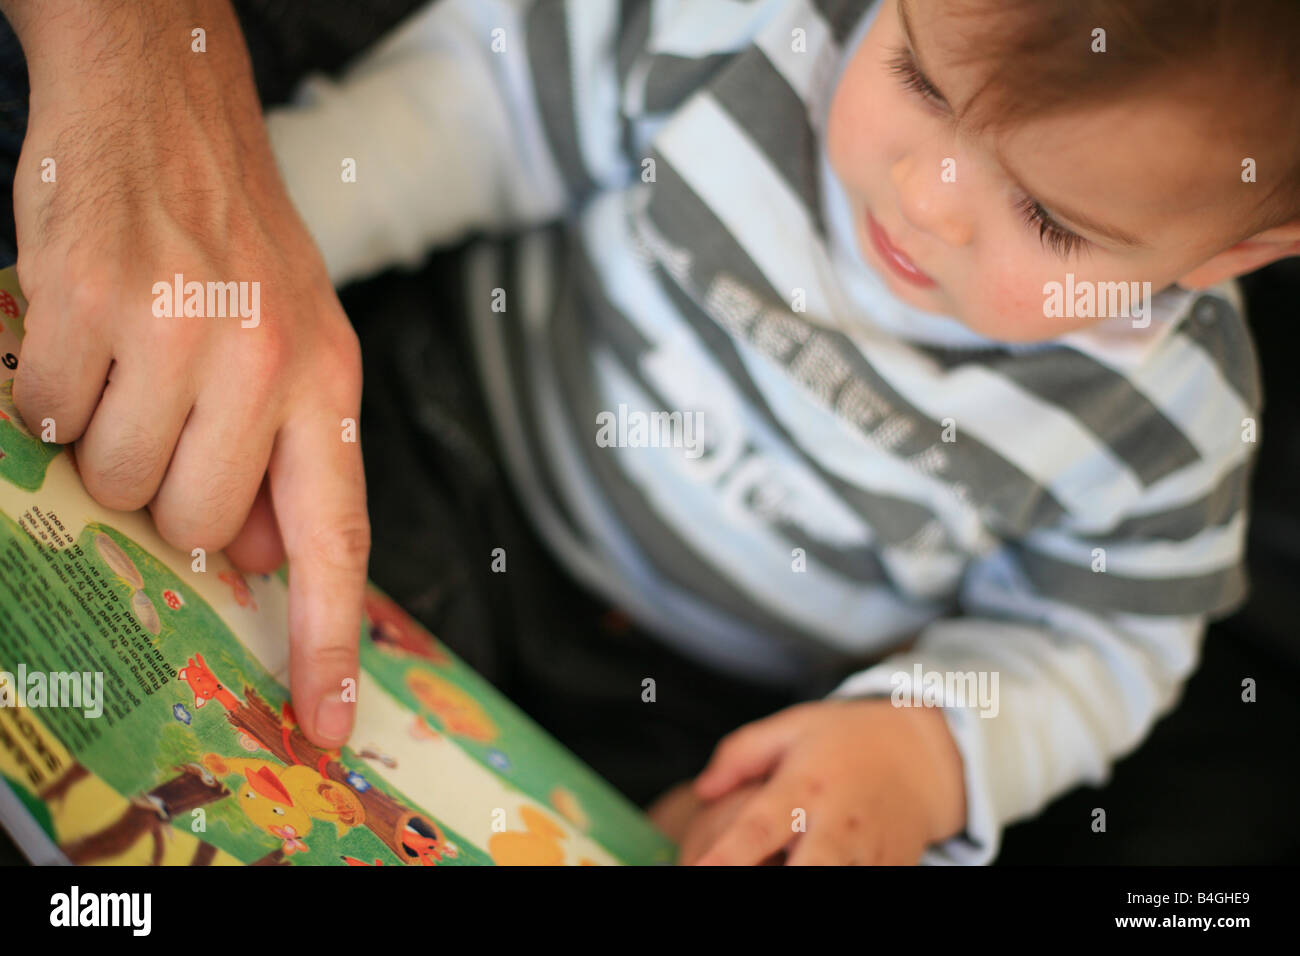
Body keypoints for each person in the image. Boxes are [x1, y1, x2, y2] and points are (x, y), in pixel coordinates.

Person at [7, 0, 1300, 864]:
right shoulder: (751, 31)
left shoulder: (1170, 425)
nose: (927, 194)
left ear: (1239, 247)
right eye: (916, 72)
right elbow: (470, 113)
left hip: (705, 710)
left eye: (1054, 219)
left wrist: (927, 744)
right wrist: (243, 272)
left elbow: (1103, 636)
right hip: (447, 447)